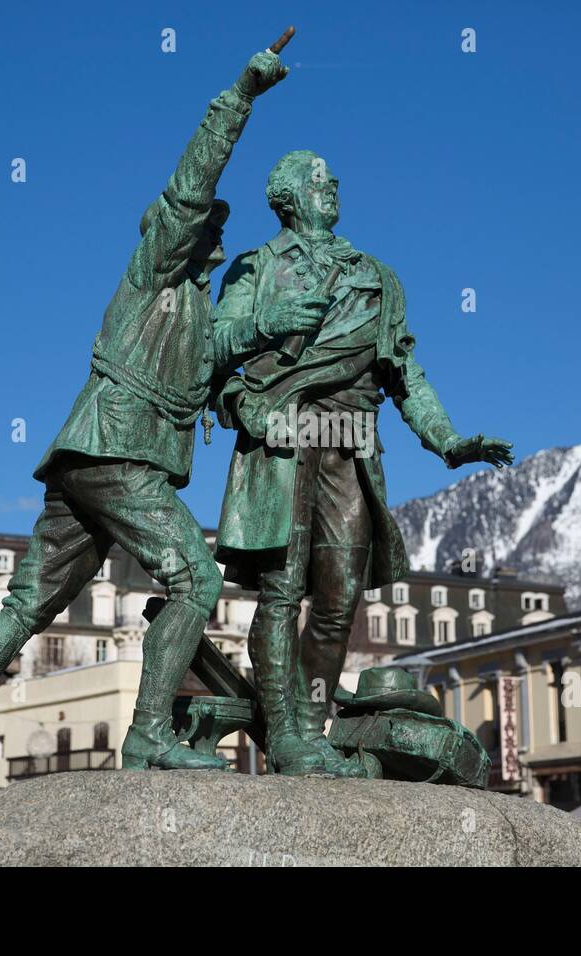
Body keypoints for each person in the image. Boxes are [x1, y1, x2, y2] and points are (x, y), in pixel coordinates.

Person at [0, 42, 315, 793]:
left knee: (28, 604)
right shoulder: (155, 266)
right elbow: (194, 177)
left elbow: (229, 345)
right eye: (210, 227)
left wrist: (282, 317)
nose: (218, 236)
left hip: (94, 465)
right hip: (116, 453)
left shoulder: (194, 307)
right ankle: (151, 735)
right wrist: (241, 96)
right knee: (195, 576)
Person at [210, 150, 513, 774]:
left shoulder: (377, 276)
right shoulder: (253, 269)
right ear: (289, 196)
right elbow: (212, 352)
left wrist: (449, 441)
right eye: (320, 182)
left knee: (339, 595)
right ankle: (287, 733)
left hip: (349, 442)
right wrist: (264, 339)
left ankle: (310, 722)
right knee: (281, 590)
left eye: (334, 181)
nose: (333, 189)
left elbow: (405, 373)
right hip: (281, 441)